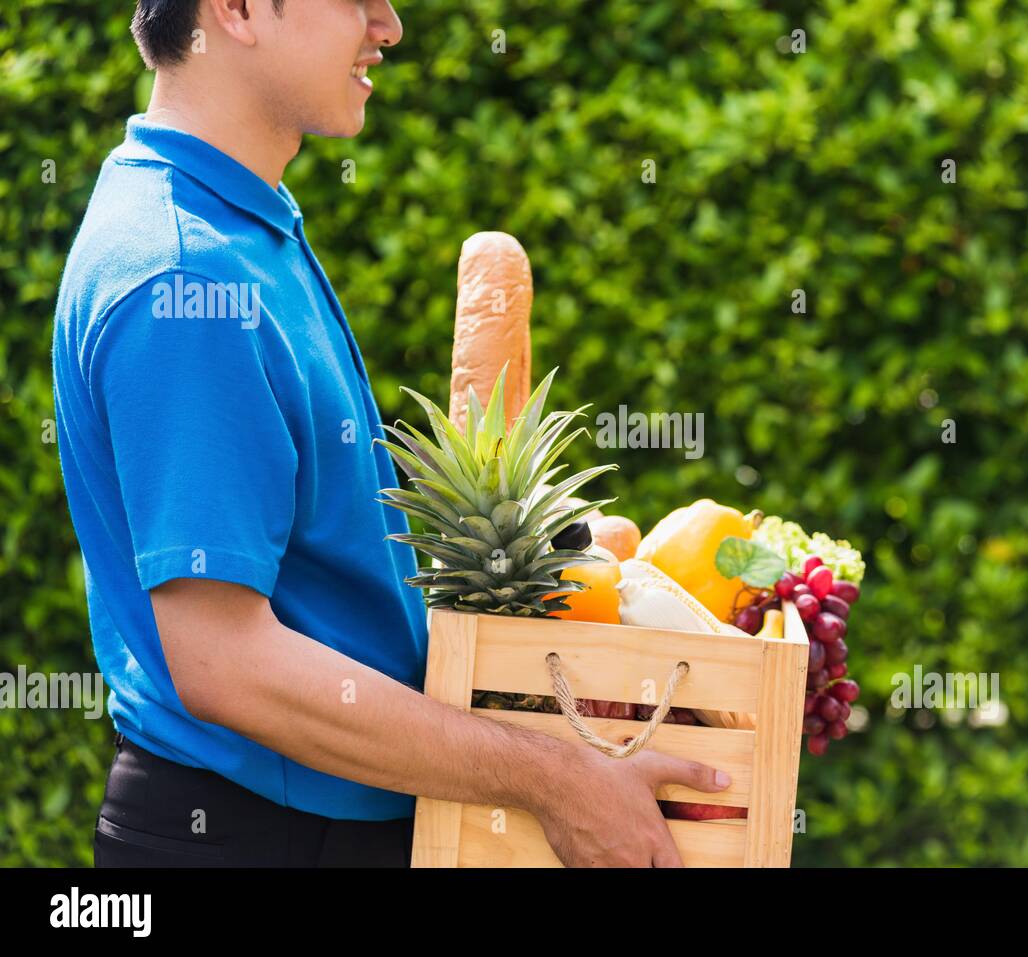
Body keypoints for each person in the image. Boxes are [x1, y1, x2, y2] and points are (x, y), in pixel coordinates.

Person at [52, 0, 730, 867]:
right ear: (238, 9)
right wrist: (553, 779)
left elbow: (316, 567)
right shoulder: (185, 274)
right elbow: (225, 661)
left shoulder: (238, 222)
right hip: (256, 837)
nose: (390, 25)